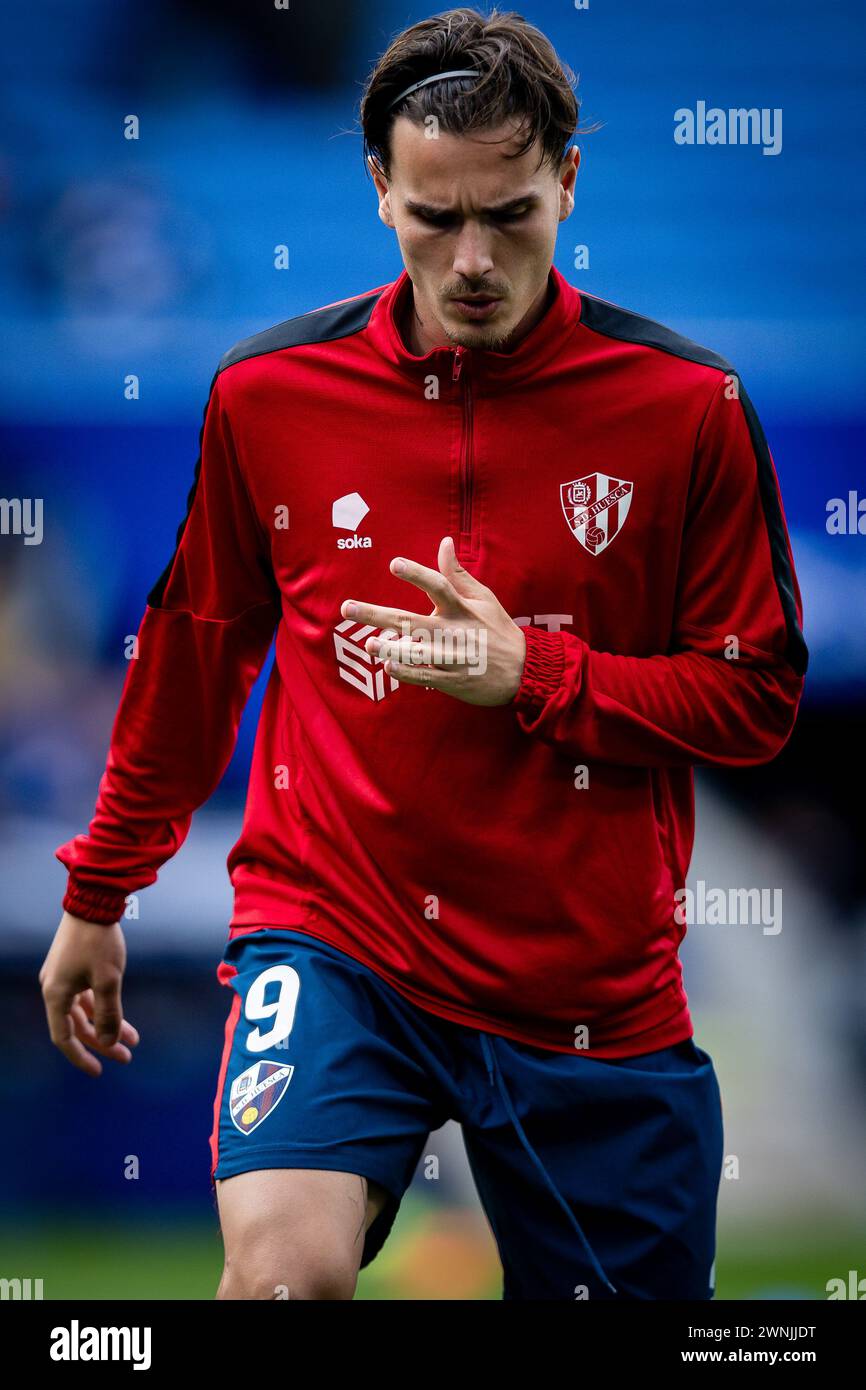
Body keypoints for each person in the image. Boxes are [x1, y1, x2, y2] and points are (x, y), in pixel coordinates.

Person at [41, 7, 807, 1300]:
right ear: (377, 191)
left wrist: (539, 679)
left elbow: (755, 698)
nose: (469, 259)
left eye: (508, 213)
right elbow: (192, 659)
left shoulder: (688, 411)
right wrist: (99, 888)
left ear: (567, 181)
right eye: (432, 215)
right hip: (335, 938)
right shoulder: (267, 398)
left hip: (587, 984)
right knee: (283, 1278)